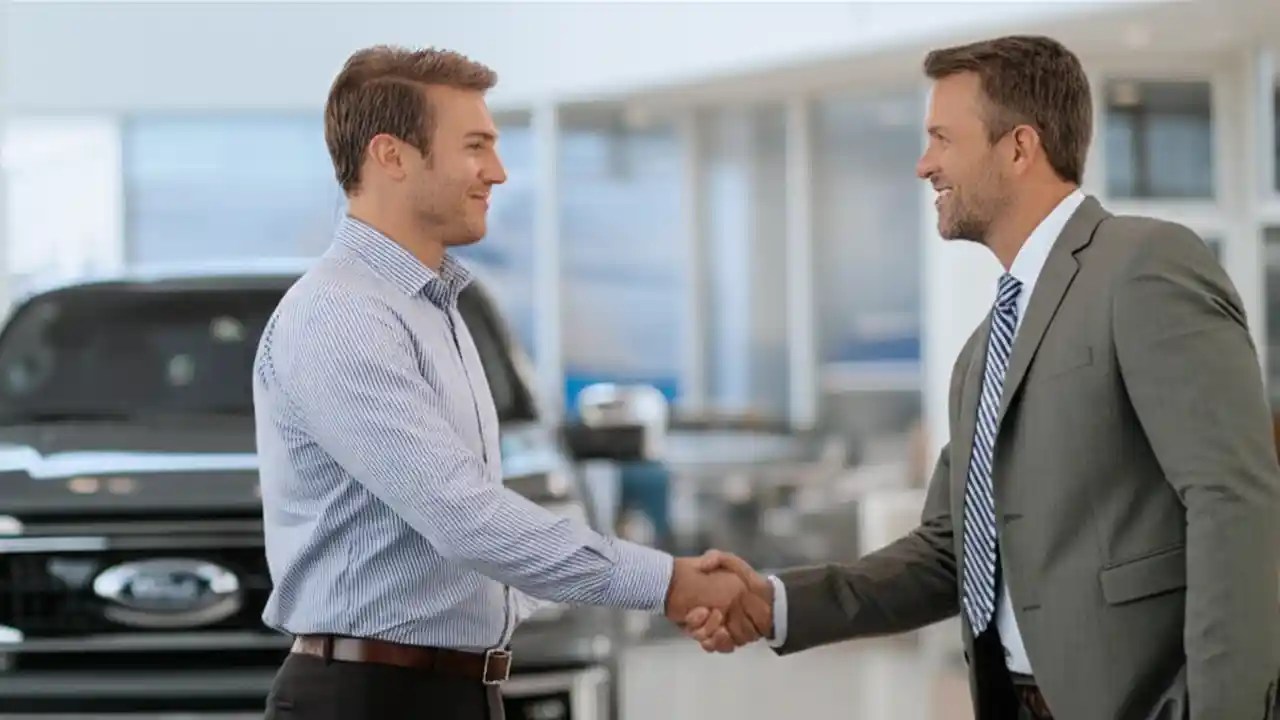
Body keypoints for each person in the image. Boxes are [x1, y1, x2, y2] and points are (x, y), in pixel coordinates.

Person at [685, 34, 1280, 720]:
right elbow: (949, 551)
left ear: (1020, 147)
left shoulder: (1144, 265)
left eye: (942, 138)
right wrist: (775, 602)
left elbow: (1231, 500)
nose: (923, 164)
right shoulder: (983, 351)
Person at [252, 45, 768, 720]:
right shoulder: (344, 317)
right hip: (370, 701)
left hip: (450, 693)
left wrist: (640, 588)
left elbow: (465, 565)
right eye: (475, 146)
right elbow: (465, 519)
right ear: (392, 156)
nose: (496, 172)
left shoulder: (433, 309)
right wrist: (666, 582)